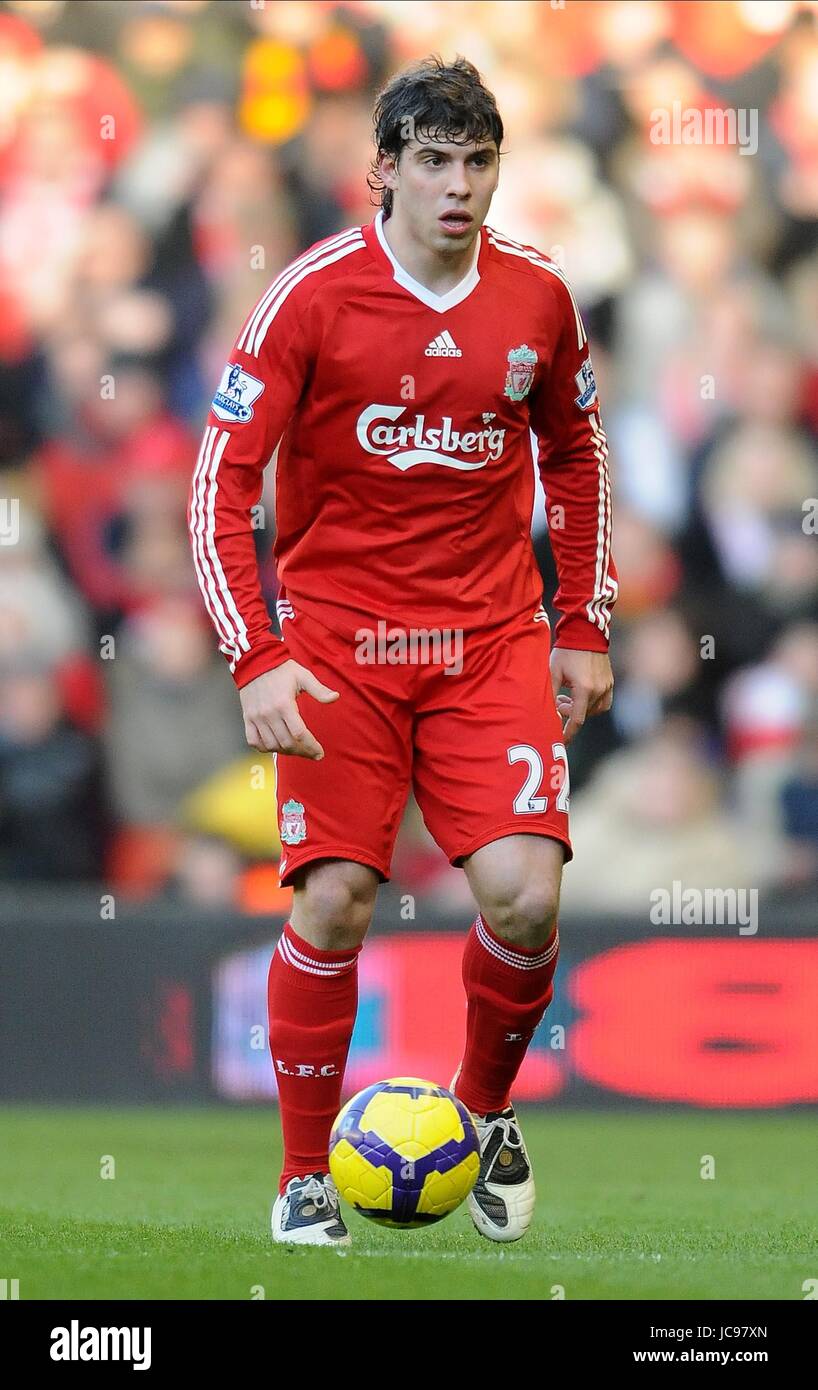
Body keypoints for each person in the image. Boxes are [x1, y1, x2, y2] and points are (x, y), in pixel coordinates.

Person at [188, 55, 616, 1246]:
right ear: (379, 173)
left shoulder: (536, 299)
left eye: (477, 162)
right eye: (432, 162)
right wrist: (254, 652)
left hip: (486, 642)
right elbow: (220, 478)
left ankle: (477, 1120)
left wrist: (578, 620)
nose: (458, 187)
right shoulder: (309, 297)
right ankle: (300, 1176)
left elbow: (574, 456)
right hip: (339, 651)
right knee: (334, 899)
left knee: (526, 900)